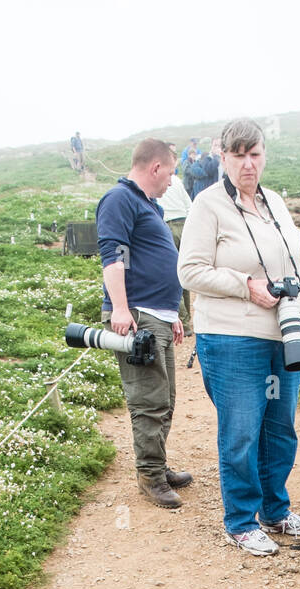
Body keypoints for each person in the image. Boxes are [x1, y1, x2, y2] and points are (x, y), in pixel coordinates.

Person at [177, 117, 300, 554]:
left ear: (264, 156)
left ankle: (275, 511)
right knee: (241, 430)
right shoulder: (208, 205)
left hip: (284, 336)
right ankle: (240, 520)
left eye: (254, 154)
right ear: (223, 157)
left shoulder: (275, 202)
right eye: (238, 156)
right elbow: (190, 271)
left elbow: (297, 268)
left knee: (280, 429)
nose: (247, 164)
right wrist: (246, 284)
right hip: (231, 337)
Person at [96, 138, 192, 509]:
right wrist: (121, 308)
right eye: (170, 173)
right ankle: (149, 475)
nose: (171, 181)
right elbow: (114, 254)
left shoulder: (148, 205)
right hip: (137, 313)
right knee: (148, 399)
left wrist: (175, 316)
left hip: (159, 315)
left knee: (164, 398)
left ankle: (158, 465)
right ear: (155, 168)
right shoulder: (120, 199)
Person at [159, 150, 193, 334]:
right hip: (185, 224)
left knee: (172, 274)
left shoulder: (158, 183)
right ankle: (187, 319)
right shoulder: (178, 181)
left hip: (168, 226)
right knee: (184, 271)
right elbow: (190, 206)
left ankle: (183, 321)